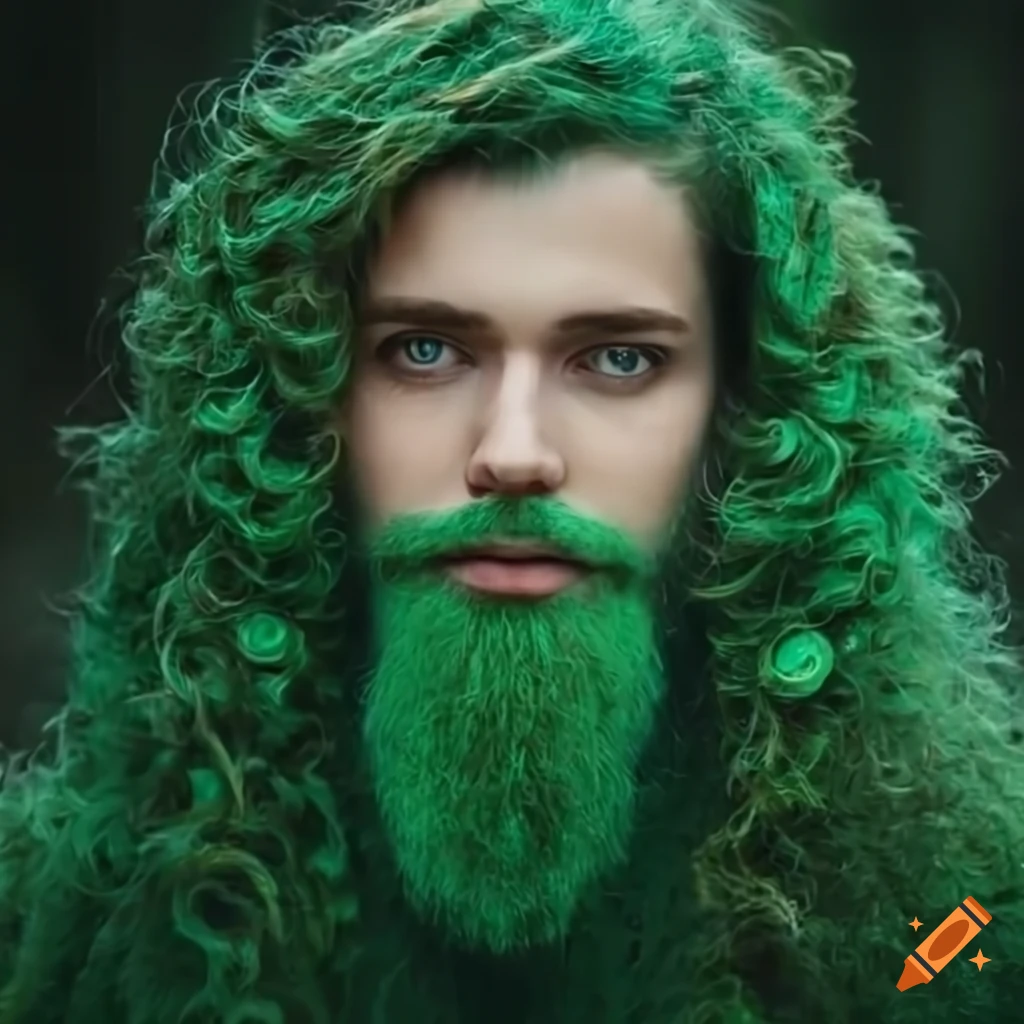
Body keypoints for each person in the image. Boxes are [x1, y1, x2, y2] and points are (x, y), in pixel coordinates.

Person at [1, 0, 1022, 1021]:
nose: (514, 452)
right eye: (425, 351)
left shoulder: (961, 939)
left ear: (743, 416)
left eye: (619, 359)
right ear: (297, 405)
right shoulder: (37, 948)